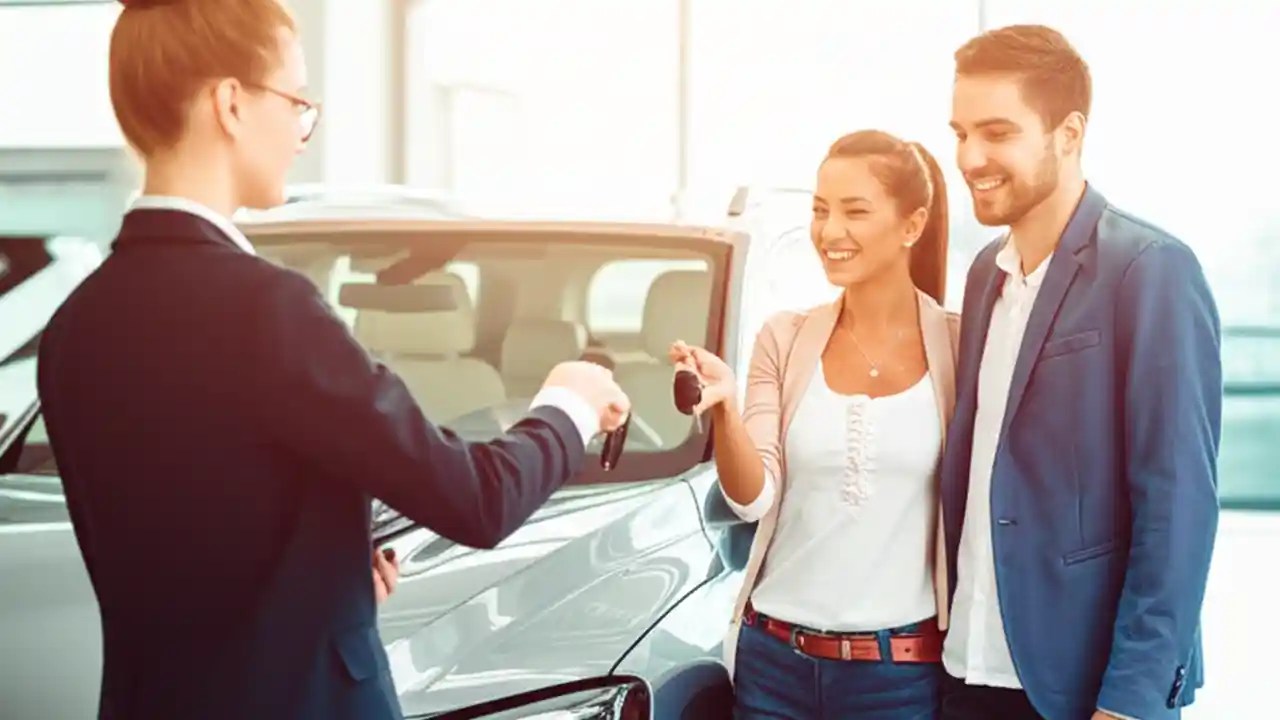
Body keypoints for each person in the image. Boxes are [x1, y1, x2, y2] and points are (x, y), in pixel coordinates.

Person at [35, 2, 629, 719]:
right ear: (230, 103)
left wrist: (327, 590)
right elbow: (477, 500)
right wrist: (569, 401)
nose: (302, 133)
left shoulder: (75, 328)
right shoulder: (266, 310)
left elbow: (189, 542)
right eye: (297, 102)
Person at [939, 24, 1221, 720]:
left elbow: (1178, 507)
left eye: (997, 132)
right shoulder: (984, 276)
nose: (970, 157)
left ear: (1068, 134)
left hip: (1081, 691)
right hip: (965, 674)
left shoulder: (1150, 270)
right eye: (960, 132)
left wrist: (1130, 699)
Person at [672, 130, 958, 719]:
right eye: (821, 210)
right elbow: (753, 499)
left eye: (855, 211)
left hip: (900, 677)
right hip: (774, 666)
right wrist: (725, 407)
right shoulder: (784, 337)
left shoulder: (962, 345)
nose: (830, 232)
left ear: (912, 224)